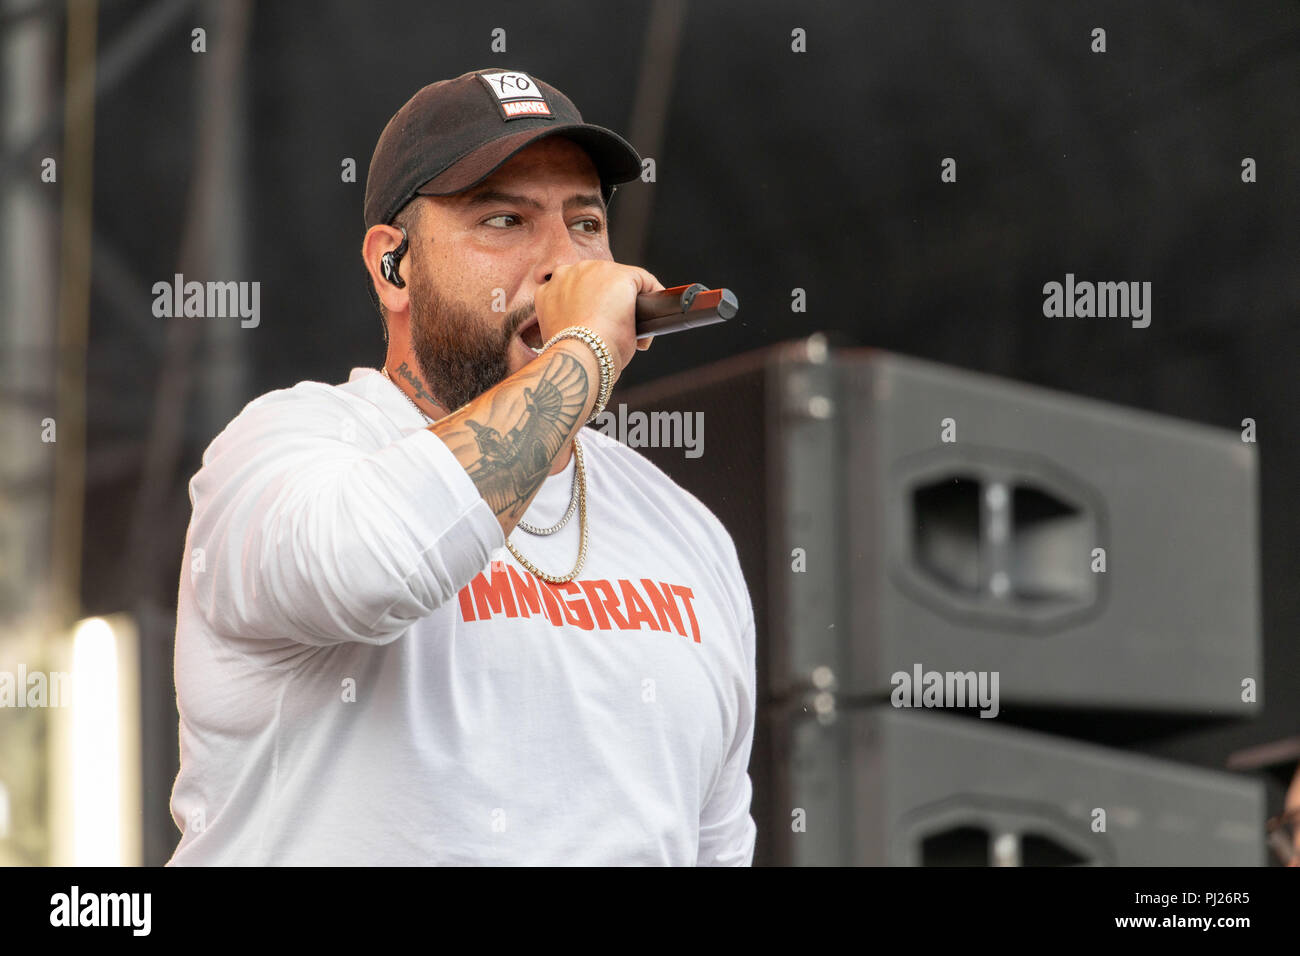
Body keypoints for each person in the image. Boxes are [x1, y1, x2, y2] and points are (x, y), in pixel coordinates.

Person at [166, 68, 757, 865]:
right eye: (505, 219)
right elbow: (375, 566)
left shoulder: (686, 533)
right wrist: (584, 351)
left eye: (586, 225)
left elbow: (715, 843)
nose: (562, 265)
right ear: (393, 266)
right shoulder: (287, 446)